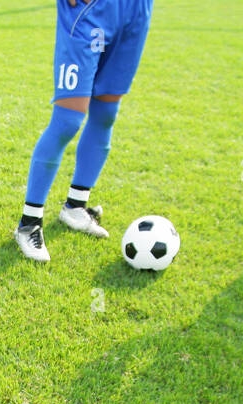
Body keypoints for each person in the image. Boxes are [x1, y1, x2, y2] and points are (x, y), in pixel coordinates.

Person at [15, 0, 155, 262]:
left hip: (135, 9)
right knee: (67, 120)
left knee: (105, 114)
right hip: (91, 10)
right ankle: (28, 223)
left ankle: (75, 206)